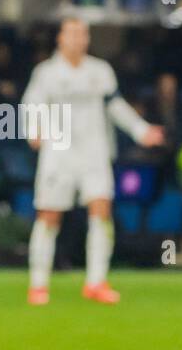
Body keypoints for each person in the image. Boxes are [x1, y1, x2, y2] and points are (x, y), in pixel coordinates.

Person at [22, 17, 164, 305]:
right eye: (72, 33)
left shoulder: (100, 71)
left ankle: (96, 282)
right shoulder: (46, 73)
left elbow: (116, 105)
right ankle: (38, 284)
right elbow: (31, 105)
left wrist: (141, 130)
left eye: (83, 34)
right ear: (60, 38)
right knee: (49, 216)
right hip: (58, 153)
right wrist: (33, 130)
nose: (78, 39)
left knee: (101, 211)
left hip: (94, 153)